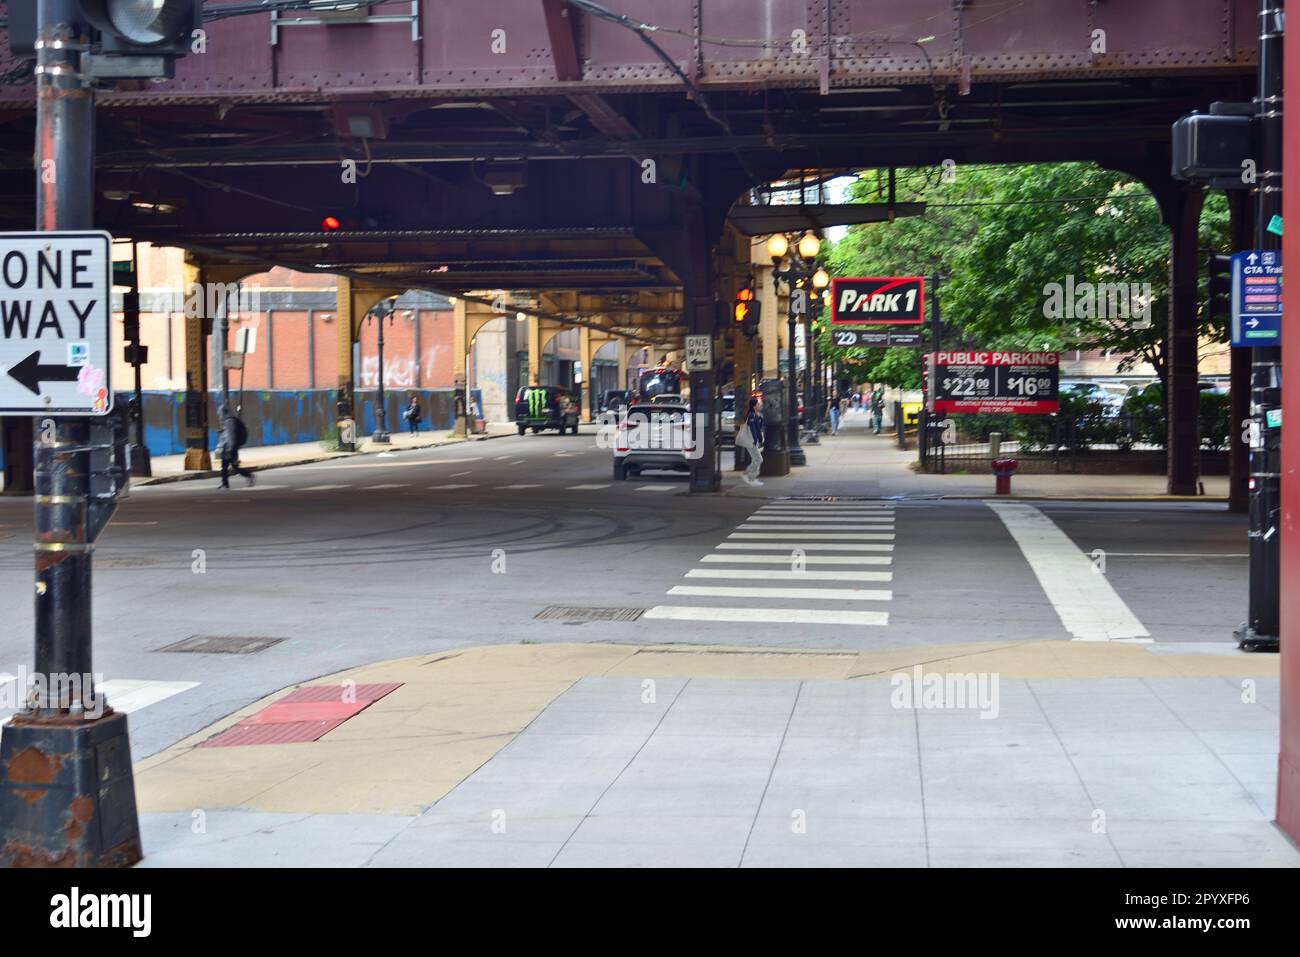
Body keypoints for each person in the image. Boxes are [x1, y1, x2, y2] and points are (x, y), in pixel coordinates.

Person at [218, 404, 255, 489]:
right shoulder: (231, 419)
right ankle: (225, 483)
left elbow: (230, 436)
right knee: (229, 465)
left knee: (228, 466)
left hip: (230, 447)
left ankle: (248, 475)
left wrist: (230, 449)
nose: (219, 415)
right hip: (231, 446)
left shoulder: (229, 421)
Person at [735, 396, 765, 486]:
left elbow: (758, 429)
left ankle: (752, 479)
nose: (760, 405)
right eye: (759, 404)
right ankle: (745, 474)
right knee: (759, 459)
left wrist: (760, 439)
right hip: (751, 441)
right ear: (754, 406)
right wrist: (756, 440)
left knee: (756, 459)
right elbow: (753, 429)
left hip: (753, 441)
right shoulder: (751, 415)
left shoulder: (756, 415)